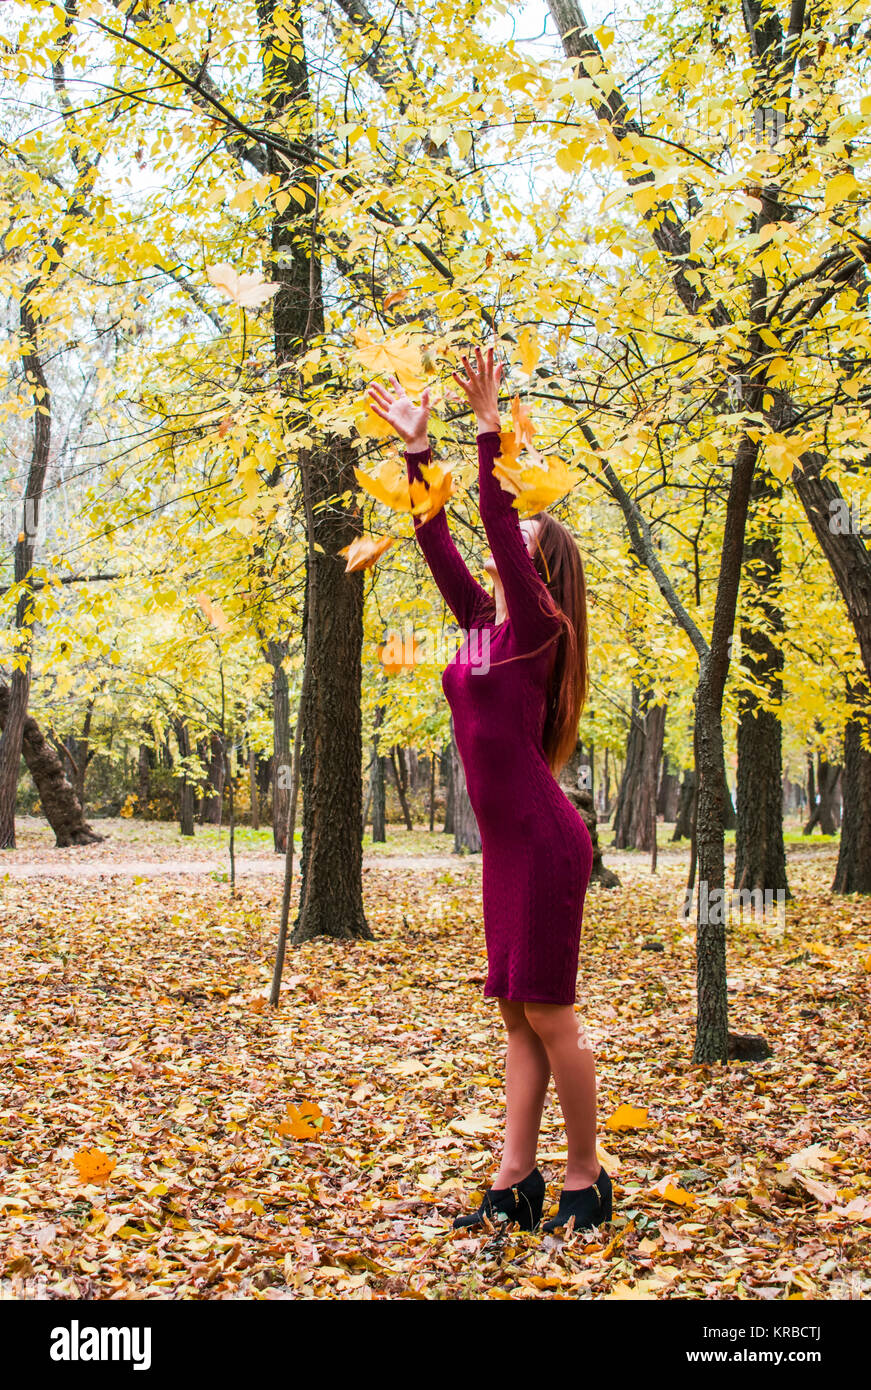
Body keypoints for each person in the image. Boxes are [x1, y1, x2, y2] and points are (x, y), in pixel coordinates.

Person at [366, 346, 612, 1235]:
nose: (507, 550)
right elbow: (440, 541)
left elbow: (496, 524)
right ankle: (516, 1177)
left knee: (550, 1011)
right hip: (510, 845)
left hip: (544, 842)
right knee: (515, 1012)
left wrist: (486, 430)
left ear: (541, 570)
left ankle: (586, 1176)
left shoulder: (540, 628)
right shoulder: (483, 628)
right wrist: (415, 453)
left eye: (523, 545)